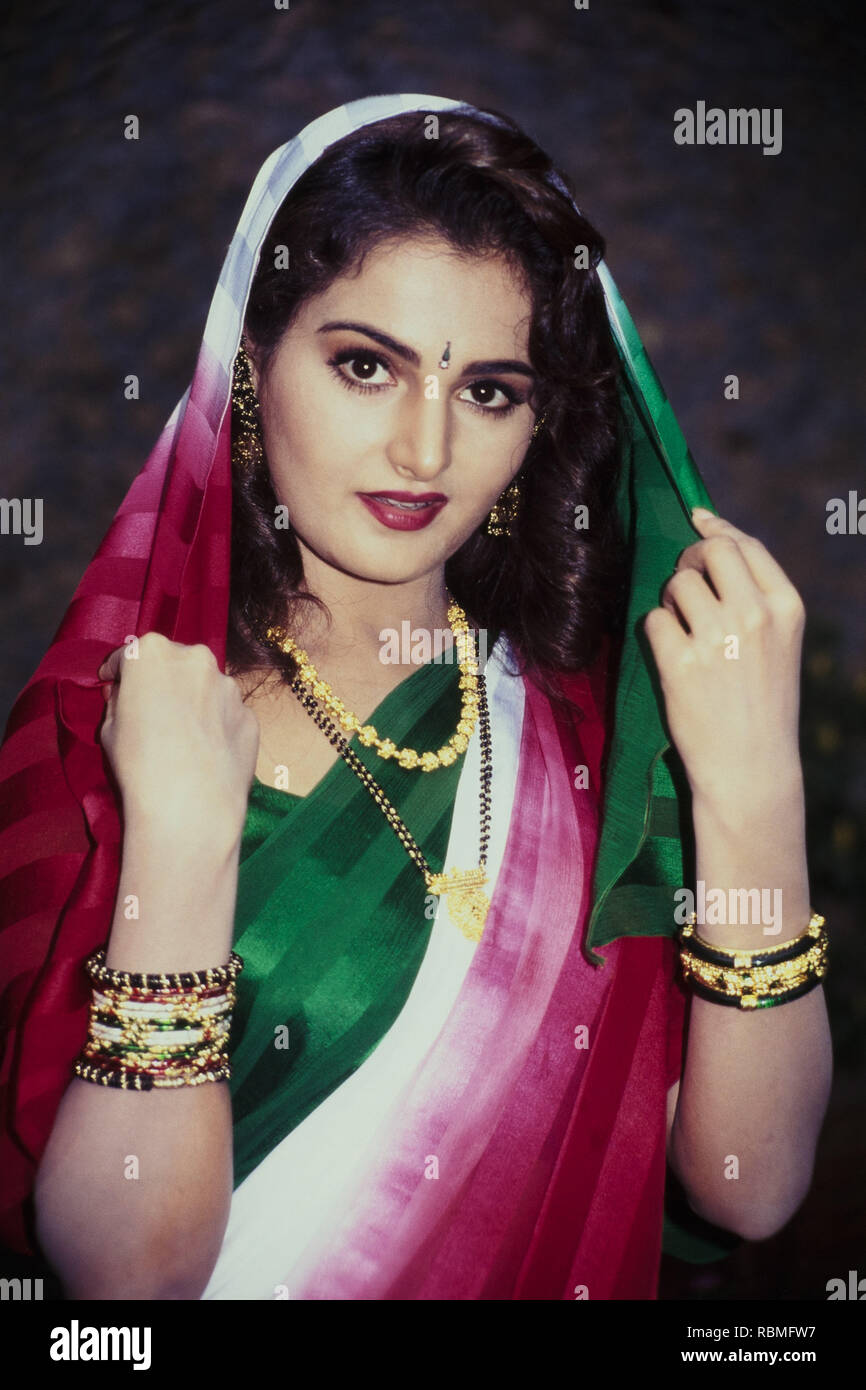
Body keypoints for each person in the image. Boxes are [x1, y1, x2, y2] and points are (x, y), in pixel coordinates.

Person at [0, 94, 832, 1301]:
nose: (424, 452)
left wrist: (754, 780)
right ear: (247, 369)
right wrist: (178, 854)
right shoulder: (97, 734)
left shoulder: (589, 745)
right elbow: (124, 1281)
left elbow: (746, 1182)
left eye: (490, 389)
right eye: (363, 366)